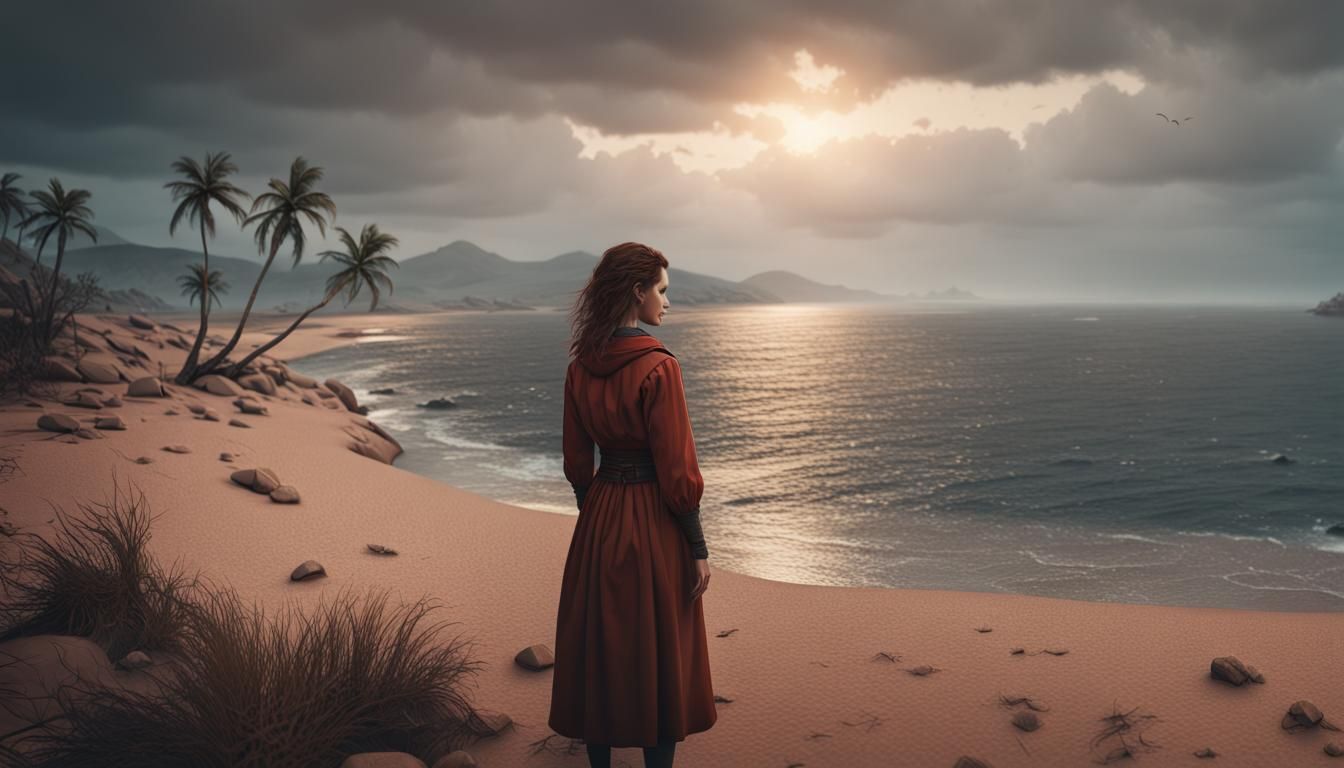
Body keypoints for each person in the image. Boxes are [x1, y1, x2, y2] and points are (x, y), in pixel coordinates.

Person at [549, 242, 717, 768]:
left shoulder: (580, 368)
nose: (667, 302)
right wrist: (697, 544)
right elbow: (677, 469)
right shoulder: (660, 368)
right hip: (653, 519)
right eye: (662, 291)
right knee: (658, 642)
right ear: (638, 292)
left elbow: (577, 459)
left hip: (599, 513)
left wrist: (593, 513)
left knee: (601, 637)